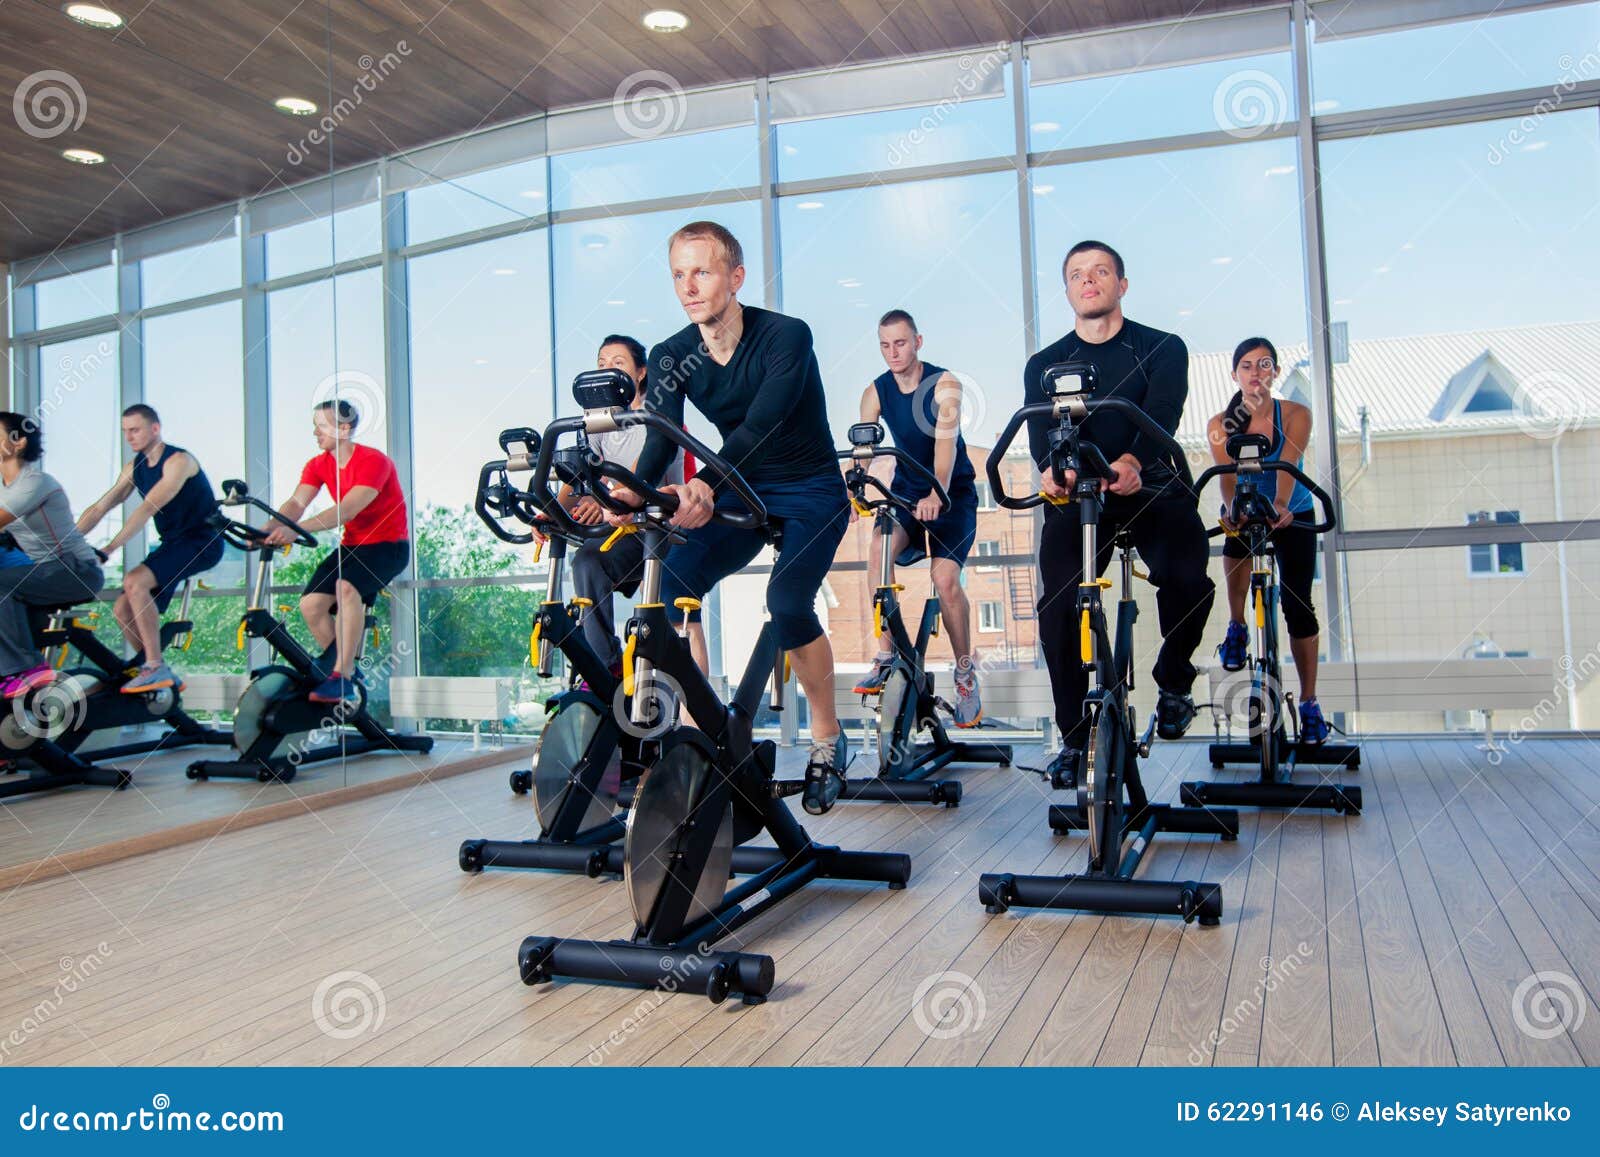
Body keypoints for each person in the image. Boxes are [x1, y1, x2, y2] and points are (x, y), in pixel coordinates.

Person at [607, 220, 852, 815]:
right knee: (664, 591)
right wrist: (634, 490)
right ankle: (705, 731)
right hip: (741, 487)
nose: (688, 287)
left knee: (788, 605)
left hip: (812, 488)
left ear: (735, 277)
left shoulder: (786, 337)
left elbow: (761, 424)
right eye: (678, 275)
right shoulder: (671, 354)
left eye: (702, 272)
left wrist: (705, 483)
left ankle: (827, 738)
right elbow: (662, 440)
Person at [1025, 240, 1215, 785]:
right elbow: (1043, 438)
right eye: (1078, 275)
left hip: (1152, 485)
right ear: (1067, 291)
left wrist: (1133, 460)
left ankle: (1174, 679)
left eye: (1101, 271)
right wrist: (1050, 471)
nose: (1090, 281)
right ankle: (1074, 739)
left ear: (1121, 285)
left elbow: (1162, 413)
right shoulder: (1043, 365)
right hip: (1084, 496)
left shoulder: (1163, 347)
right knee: (1058, 606)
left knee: (1187, 579)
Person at [854, 309, 982, 726]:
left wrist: (937, 491)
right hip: (908, 493)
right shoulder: (875, 392)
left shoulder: (944, 384)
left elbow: (945, 447)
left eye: (901, 343)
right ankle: (887, 655)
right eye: (885, 345)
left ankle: (964, 672)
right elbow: (864, 450)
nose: (893, 352)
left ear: (918, 342)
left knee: (945, 581)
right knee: (879, 549)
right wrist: (854, 486)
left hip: (951, 491)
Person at [1208, 337, 1330, 744]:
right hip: (1246, 510)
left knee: (1298, 605)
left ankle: (1310, 703)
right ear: (1235, 374)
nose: (1256, 373)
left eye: (1264, 365)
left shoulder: (1296, 413)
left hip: (1290, 508)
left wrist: (1279, 504)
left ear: (1276, 372)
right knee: (1234, 542)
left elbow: (1287, 462)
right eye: (1247, 365)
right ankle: (1237, 624)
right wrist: (1229, 509)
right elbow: (1226, 478)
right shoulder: (1219, 425)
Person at [264, 399, 409, 707]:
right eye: (315, 425)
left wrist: (295, 529)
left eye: (322, 425)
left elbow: (347, 509)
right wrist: (269, 528)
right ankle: (345, 670)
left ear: (344, 428)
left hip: (388, 547)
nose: (315, 432)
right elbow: (296, 503)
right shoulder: (318, 464)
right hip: (353, 546)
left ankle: (342, 675)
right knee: (311, 605)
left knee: (346, 589)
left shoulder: (374, 461)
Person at [75, 404, 225, 693]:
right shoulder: (135, 468)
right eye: (125, 432)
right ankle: (156, 669)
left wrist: (108, 549)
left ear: (155, 429)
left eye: (135, 430)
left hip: (202, 541)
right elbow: (100, 507)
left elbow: (147, 508)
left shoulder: (179, 461)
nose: (129, 437)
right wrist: (66, 542)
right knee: (121, 608)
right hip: (173, 544)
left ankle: (153, 665)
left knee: (134, 581)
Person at [563, 335, 685, 677]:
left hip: (656, 525)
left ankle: (617, 667)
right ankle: (608, 670)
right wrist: (549, 509)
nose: (606, 370)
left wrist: (601, 500)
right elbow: (578, 478)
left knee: (589, 561)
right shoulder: (599, 420)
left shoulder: (656, 415)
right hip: (617, 525)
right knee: (585, 560)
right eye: (601, 363)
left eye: (617, 363)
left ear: (641, 372)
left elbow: (640, 472)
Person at [0, 414, 105, 699]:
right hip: (46, 572)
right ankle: (22, 672)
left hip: (76, 571)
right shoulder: (5, 487)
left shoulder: (35, 482)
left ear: (18, 443)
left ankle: (28, 667)